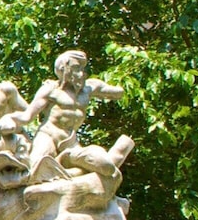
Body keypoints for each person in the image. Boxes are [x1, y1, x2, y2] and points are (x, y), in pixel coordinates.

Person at [22, 50, 125, 182]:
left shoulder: (88, 88)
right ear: (63, 69)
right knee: (33, 171)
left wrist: (118, 91)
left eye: (82, 68)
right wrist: (5, 124)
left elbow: (115, 92)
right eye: (76, 68)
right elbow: (27, 116)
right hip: (48, 136)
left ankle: (64, 171)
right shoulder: (51, 89)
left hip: (70, 142)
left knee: (107, 167)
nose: (81, 73)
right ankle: (59, 172)